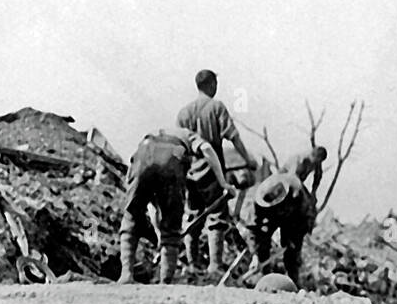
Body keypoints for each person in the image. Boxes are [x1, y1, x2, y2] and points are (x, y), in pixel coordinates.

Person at [119, 129, 229, 284]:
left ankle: (126, 275)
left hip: (143, 155)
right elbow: (206, 149)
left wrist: (158, 233)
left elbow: (154, 207)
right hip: (172, 158)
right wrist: (223, 182)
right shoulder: (188, 135)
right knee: (171, 229)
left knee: (131, 218)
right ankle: (165, 282)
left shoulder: (159, 132)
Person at [177, 69, 255, 274]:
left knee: (193, 215)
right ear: (211, 85)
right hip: (213, 171)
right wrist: (248, 159)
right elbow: (233, 136)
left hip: (190, 172)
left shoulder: (184, 112)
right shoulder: (216, 107)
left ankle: (192, 264)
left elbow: (178, 143)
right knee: (217, 216)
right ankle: (215, 265)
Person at [250, 167, 316, 286]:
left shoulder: (298, 195)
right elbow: (255, 227)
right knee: (262, 241)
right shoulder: (260, 198)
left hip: (293, 219)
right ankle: (264, 276)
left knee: (292, 252)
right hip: (271, 216)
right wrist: (255, 254)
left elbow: (304, 220)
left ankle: (294, 281)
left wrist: (294, 240)